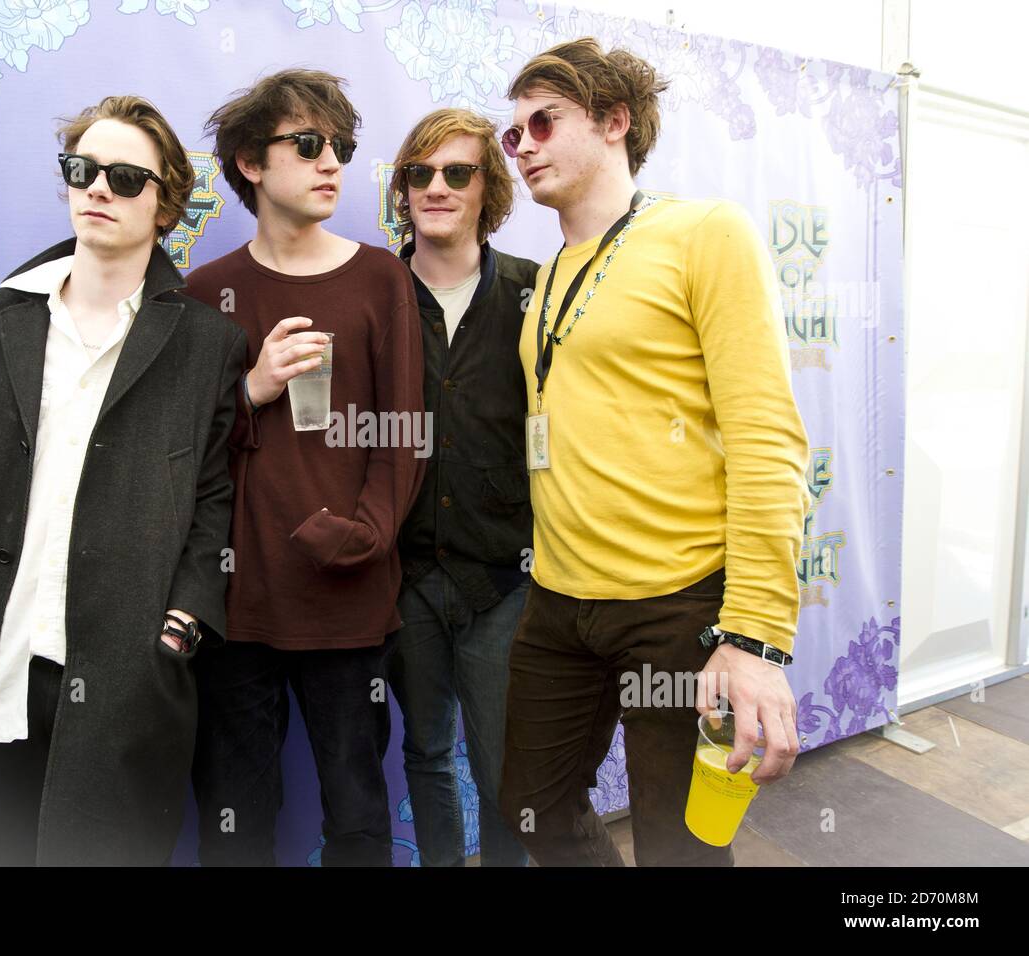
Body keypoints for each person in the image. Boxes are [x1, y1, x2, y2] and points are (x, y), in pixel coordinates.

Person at [0, 95, 245, 866]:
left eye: (126, 177)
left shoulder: (208, 343)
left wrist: (182, 625)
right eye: (82, 169)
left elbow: (211, 505)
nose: (98, 188)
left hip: (117, 669)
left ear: (165, 202)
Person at [497, 39, 812, 866]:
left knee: (681, 846)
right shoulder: (550, 274)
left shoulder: (704, 232)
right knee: (530, 803)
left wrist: (755, 637)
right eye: (511, 133)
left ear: (614, 121)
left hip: (679, 605)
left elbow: (765, 434)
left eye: (542, 121)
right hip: (559, 600)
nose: (520, 144)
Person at [184, 68, 425, 867]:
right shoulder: (204, 293)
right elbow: (175, 456)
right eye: (310, 143)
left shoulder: (380, 278)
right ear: (252, 163)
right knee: (235, 813)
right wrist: (248, 390)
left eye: (344, 148)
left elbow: (404, 434)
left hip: (348, 601)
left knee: (357, 815)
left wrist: (363, 535)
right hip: (233, 606)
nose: (332, 163)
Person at [385, 108, 537, 867]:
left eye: (457, 172)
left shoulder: (534, 296)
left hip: (505, 578)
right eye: (420, 173)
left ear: (490, 189)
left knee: (506, 767)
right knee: (426, 753)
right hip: (403, 576)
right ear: (403, 189)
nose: (436, 187)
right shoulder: (372, 296)